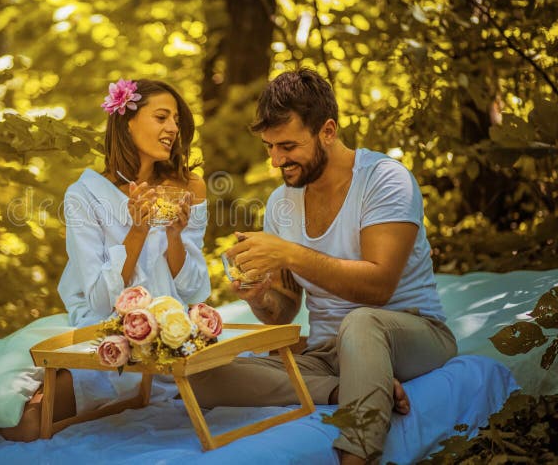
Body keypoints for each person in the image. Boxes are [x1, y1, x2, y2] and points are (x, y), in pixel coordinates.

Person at [189, 69, 456, 464]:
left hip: (409, 333)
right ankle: (340, 388)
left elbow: (377, 288)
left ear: (327, 131)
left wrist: (289, 254)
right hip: (328, 352)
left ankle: (356, 454)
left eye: (288, 146)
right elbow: (285, 312)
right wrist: (259, 298)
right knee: (202, 377)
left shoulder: (384, 180)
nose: (277, 160)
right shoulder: (282, 201)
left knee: (361, 322)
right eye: (269, 147)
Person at [1, 78, 210, 441]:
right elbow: (99, 301)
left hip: (172, 336)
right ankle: (121, 395)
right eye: (161, 117)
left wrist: (175, 236)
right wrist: (137, 231)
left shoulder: (189, 188)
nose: (173, 128)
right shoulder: (83, 195)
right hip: (106, 335)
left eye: (176, 119)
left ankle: (140, 395)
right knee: (28, 424)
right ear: (127, 121)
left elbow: (194, 289)